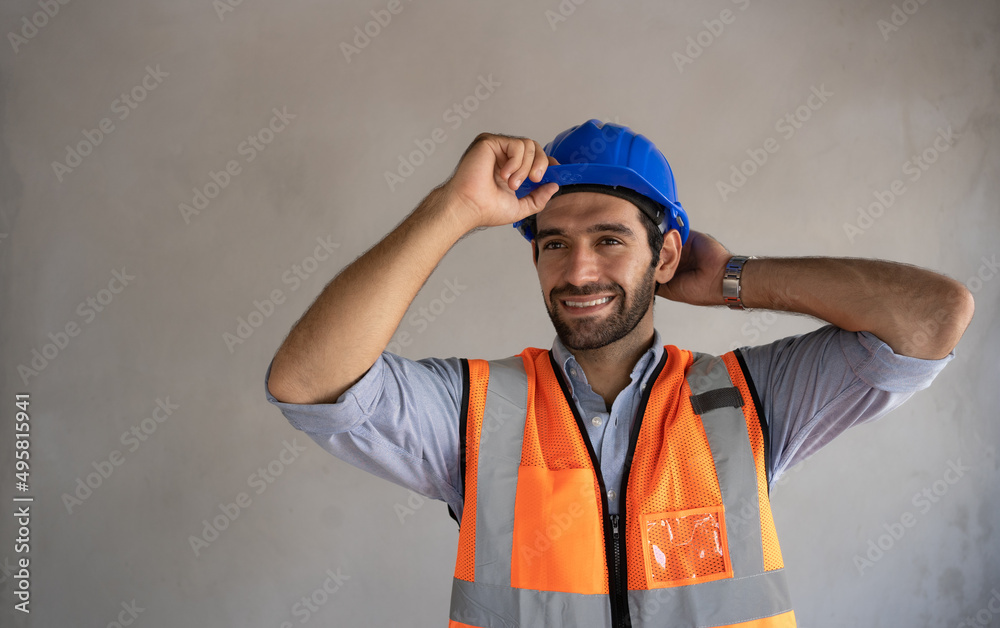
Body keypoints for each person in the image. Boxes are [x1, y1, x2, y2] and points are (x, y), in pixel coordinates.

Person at [264, 119, 974, 627]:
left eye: (609, 240)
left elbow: (934, 316)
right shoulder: (476, 410)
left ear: (664, 257)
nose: (578, 271)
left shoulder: (747, 400)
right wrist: (452, 211)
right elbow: (307, 380)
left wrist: (731, 277)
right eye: (554, 244)